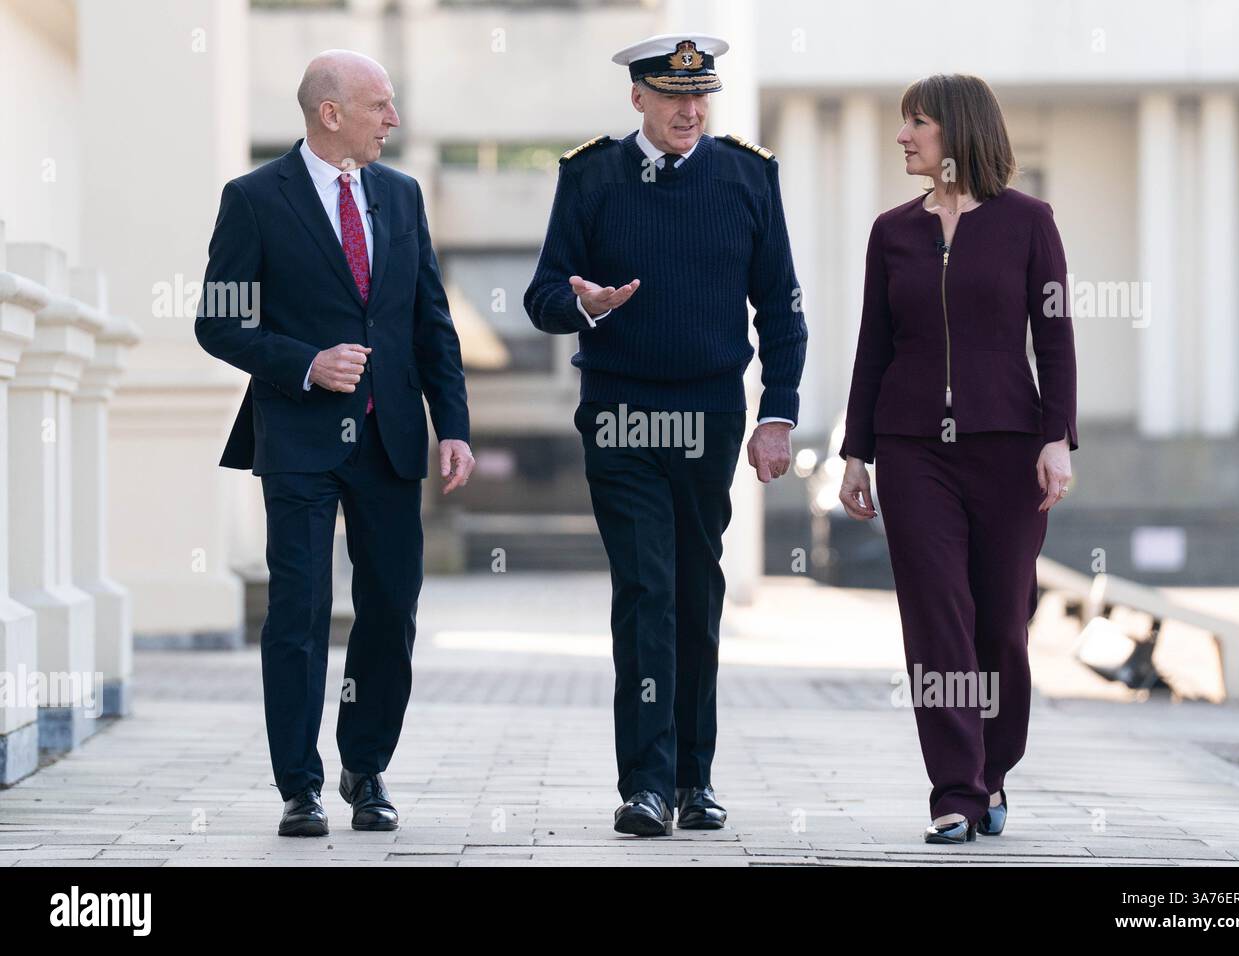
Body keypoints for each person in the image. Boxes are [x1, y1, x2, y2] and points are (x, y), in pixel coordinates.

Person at [524, 33, 808, 836]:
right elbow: (542, 294)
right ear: (638, 98)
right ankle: (645, 785)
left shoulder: (750, 175)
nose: (690, 109)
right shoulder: (590, 176)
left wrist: (776, 414)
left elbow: (781, 307)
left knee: (695, 590)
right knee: (647, 588)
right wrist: (583, 302)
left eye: (701, 95)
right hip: (619, 411)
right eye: (673, 95)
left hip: (710, 414)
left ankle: (695, 778)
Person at [194, 49, 474, 837]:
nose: (393, 119)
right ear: (331, 113)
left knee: (391, 609)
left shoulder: (402, 195)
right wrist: (306, 363)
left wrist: (451, 424)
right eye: (380, 105)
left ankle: (366, 767)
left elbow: (430, 322)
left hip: (390, 439)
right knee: (300, 610)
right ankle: (299, 786)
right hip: (297, 438)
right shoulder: (252, 200)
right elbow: (218, 323)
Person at [837, 73, 1078, 844]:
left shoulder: (1028, 223)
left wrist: (1056, 437)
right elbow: (873, 346)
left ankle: (995, 769)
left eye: (918, 125)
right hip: (912, 452)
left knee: (1003, 622)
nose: (903, 137)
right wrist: (855, 453)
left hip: (1008, 448)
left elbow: (1056, 339)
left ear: (959, 133)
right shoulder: (892, 232)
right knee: (937, 619)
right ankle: (955, 790)